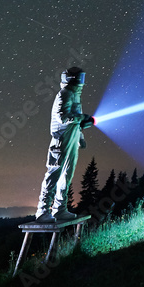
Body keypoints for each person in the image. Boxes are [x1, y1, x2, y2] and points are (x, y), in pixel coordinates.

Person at [35, 66, 96, 222]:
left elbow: (74, 121)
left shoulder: (74, 95)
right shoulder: (65, 94)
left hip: (71, 140)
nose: (82, 83)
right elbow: (63, 117)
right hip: (61, 140)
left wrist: (80, 135)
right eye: (80, 79)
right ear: (72, 79)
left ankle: (59, 209)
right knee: (54, 173)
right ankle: (42, 211)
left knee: (66, 176)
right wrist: (81, 118)